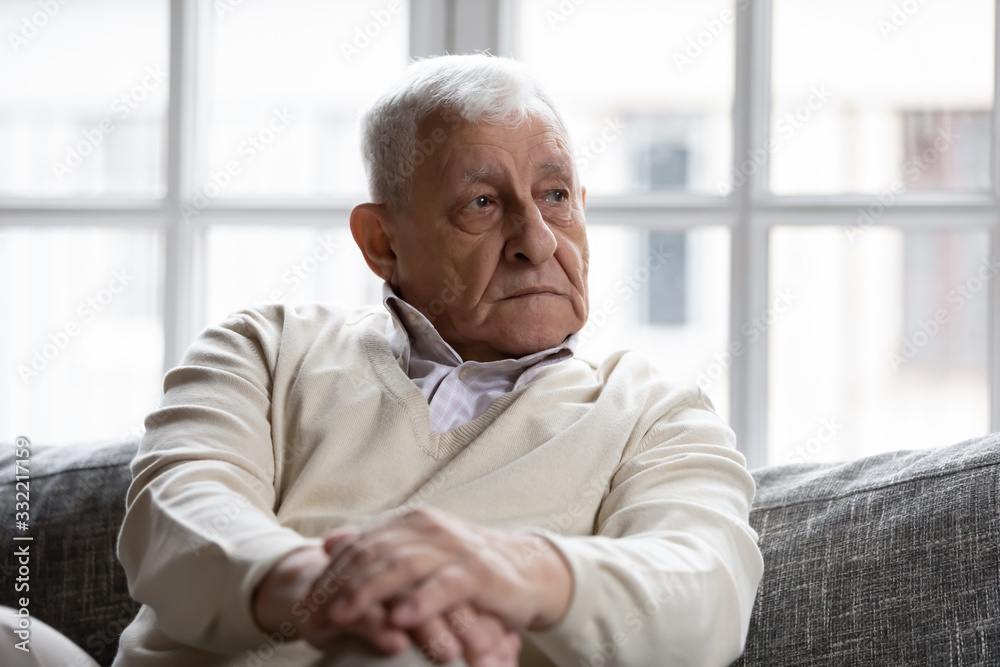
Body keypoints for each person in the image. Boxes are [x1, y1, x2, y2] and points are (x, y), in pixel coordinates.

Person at [111, 54, 763, 667]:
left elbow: (707, 586)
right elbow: (177, 507)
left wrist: (517, 570)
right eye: (482, 202)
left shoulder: (656, 411)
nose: (536, 240)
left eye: (556, 195)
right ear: (382, 241)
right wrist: (320, 584)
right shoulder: (264, 347)